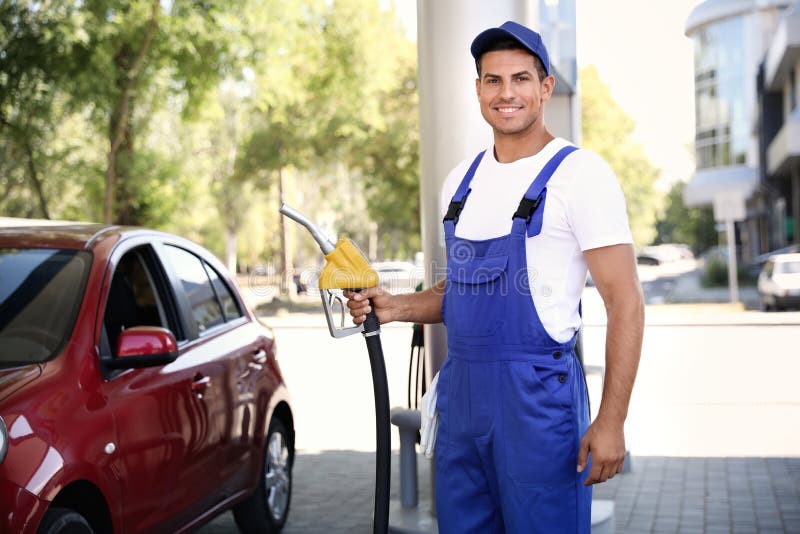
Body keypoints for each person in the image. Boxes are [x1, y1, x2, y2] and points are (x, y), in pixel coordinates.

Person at [346, 20, 644, 533]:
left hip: (537, 402)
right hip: (462, 398)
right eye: (492, 80)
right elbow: (463, 291)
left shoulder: (581, 175)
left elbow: (626, 303)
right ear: (479, 89)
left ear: (545, 87)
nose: (506, 93)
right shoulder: (459, 183)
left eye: (521, 79)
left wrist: (611, 420)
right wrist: (394, 307)